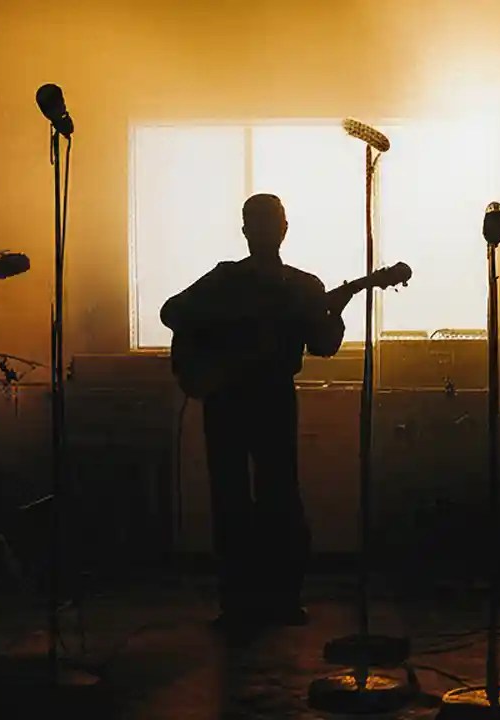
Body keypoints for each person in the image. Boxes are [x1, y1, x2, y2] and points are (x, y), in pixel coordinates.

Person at [161, 193, 347, 633]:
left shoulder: (303, 286)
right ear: (245, 231)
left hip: (272, 397)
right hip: (226, 396)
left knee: (279, 496)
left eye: (271, 223)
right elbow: (172, 312)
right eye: (255, 224)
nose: (264, 231)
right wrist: (231, 326)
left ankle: (282, 598)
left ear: (284, 228)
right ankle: (238, 602)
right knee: (231, 498)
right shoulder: (225, 279)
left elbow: (323, 345)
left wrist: (333, 313)